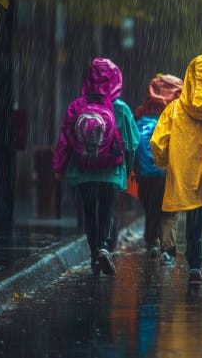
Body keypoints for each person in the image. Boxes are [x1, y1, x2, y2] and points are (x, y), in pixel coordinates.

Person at [52, 57, 139, 276]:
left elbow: (65, 139)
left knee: (89, 211)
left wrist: (59, 167)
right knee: (107, 209)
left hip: (83, 169)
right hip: (110, 170)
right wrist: (128, 169)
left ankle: (94, 257)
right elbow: (131, 144)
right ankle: (103, 246)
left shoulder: (76, 106)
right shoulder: (120, 108)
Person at [150, 54, 202, 287]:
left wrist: (164, 162)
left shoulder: (175, 109)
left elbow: (158, 142)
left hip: (187, 175)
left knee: (193, 225)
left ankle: (195, 268)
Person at [133, 74, 183, 263]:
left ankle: (152, 242)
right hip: (167, 172)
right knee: (169, 211)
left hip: (145, 173)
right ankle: (167, 248)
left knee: (150, 208)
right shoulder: (175, 115)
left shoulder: (141, 116)